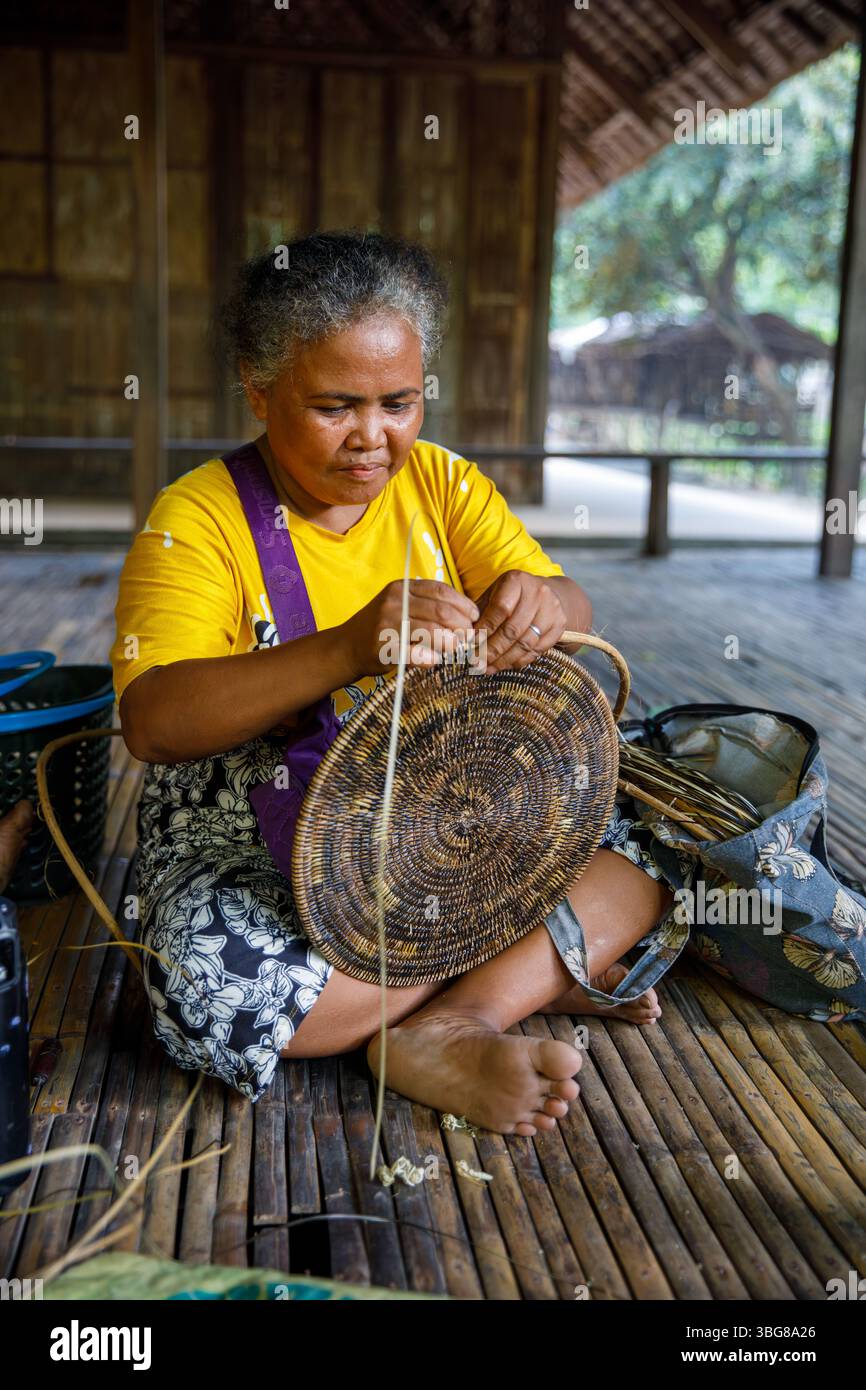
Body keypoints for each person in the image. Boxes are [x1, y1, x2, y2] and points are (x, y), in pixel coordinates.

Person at [110, 231, 680, 1139]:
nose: (374, 438)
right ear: (259, 393)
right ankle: (533, 970)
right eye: (335, 406)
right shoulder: (196, 521)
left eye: (399, 402)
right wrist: (343, 649)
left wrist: (543, 604)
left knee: (666, 844)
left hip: (446, 815)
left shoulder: (444, 485)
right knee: (214, 987)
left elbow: (570, 603)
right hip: (260, 838)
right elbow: (153, 721)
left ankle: (455, 1021)